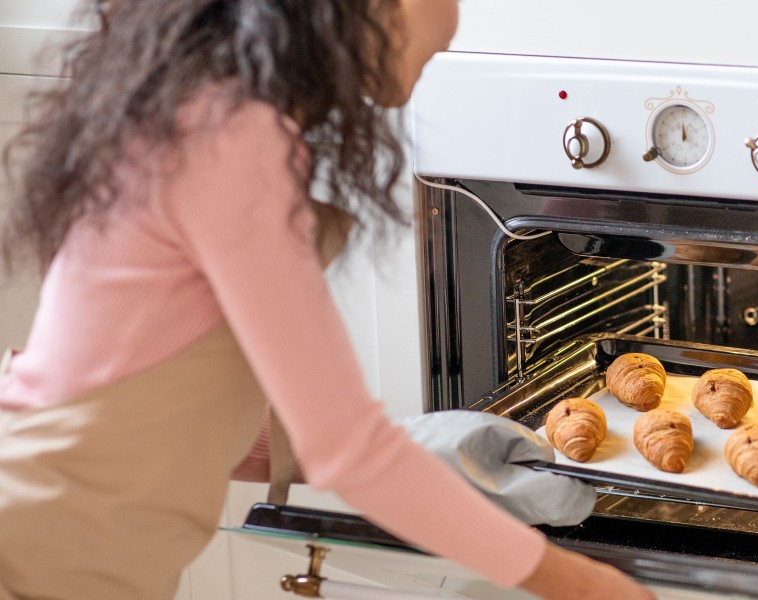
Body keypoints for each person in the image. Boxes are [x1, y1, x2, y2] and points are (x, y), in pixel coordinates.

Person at [0, 1, 655, 598]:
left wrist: (411, 451)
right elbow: (350, 452)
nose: (455, 15)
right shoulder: (234, 139)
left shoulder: (209, 114)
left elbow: (157, 382)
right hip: (47, 549)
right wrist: (582, 583)